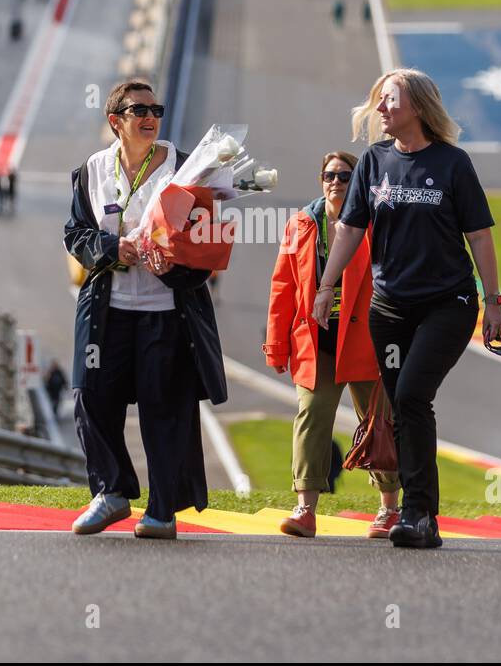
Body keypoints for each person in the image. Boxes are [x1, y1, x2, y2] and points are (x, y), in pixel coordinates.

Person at [313, 69, 501, 549]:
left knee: (414, 395)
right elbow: (350, 230)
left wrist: (494, 302)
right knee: (402, 406)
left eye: (390, 100)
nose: (380, 108)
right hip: (390, 308)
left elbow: (479, 234)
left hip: (449, 303)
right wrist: (325, 286)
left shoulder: (453, 163)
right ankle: (416, 513)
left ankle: (420, 514)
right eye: (378, 100)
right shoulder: (373, 163)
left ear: (417, 107)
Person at [63, 79, 226, 540]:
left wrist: (171, 257)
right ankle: (111, 492)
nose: (151, 116)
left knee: (164, 407)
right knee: (89, 396)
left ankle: (161, 511)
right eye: (139, 110)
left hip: (166, 310)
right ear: (115, 121)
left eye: (156, 108)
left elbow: (207, 238)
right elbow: (75, 234)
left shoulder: (188, 166)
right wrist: (116, 248)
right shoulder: (92, 169)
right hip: (107, 309)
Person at [265, 150, 402, 539]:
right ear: (320, 179)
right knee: (312, 416)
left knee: (378, 423)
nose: (336, 183)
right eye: (329, 176)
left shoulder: (378, 222)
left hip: (367, 342)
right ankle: (305, 509)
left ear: (358, 181)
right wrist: (276, 346)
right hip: (317, 340)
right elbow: (283, 287)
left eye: (345, 176)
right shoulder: (301, 225)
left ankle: (389, 507)